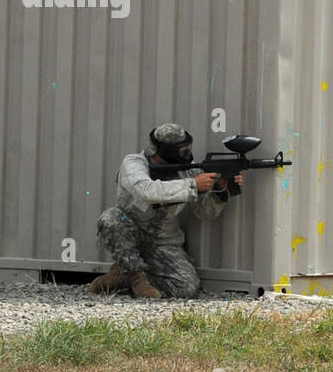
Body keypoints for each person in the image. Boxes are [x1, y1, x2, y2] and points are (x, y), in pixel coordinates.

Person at [88, 123, 243, 298]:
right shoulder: (134, 163)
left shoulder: (187, 169)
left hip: (163, 241)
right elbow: (146, 191)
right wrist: (193, 185)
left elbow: (204, 212)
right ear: (166, 151)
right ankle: (136, 278)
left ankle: (122, 277)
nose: (186, 154)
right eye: (181, 150)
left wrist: (219, 191)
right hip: (130, 233)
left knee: (186, 287)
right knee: (111, 218)